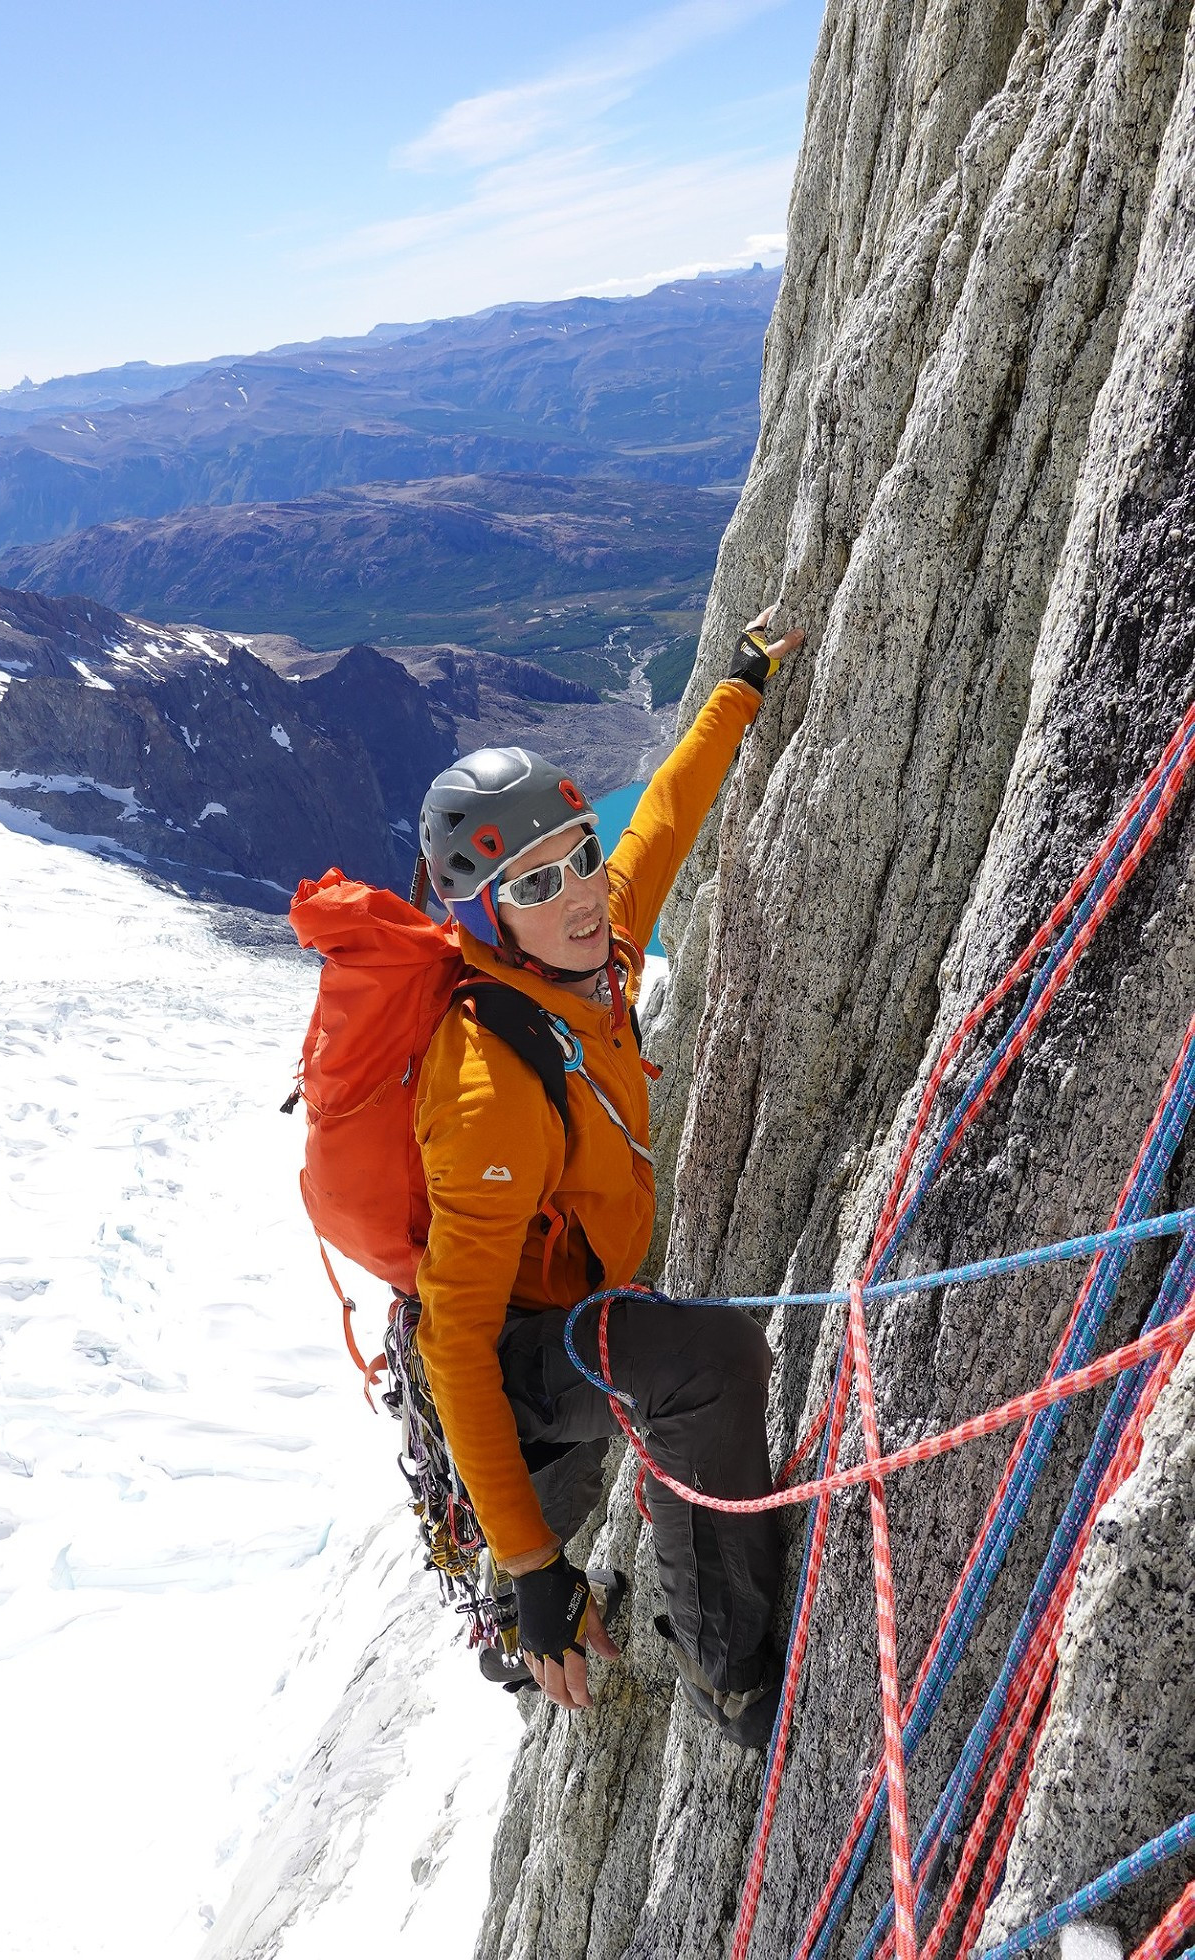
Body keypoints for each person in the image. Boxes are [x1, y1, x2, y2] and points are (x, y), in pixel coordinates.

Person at [412, 605, 805, 1749]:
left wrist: (739, 686)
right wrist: (537, 1571)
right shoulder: (488, 1087)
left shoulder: (589, 943)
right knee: (708, 1364)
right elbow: (454, 1346)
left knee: (582, 1470)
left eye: (576, 853)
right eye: (534, 884)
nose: (578, 892)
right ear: (486, 916)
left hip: (567, 1308)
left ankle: (526, 1593)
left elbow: (664, 824)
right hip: (510, 1353)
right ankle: (725, 1665)